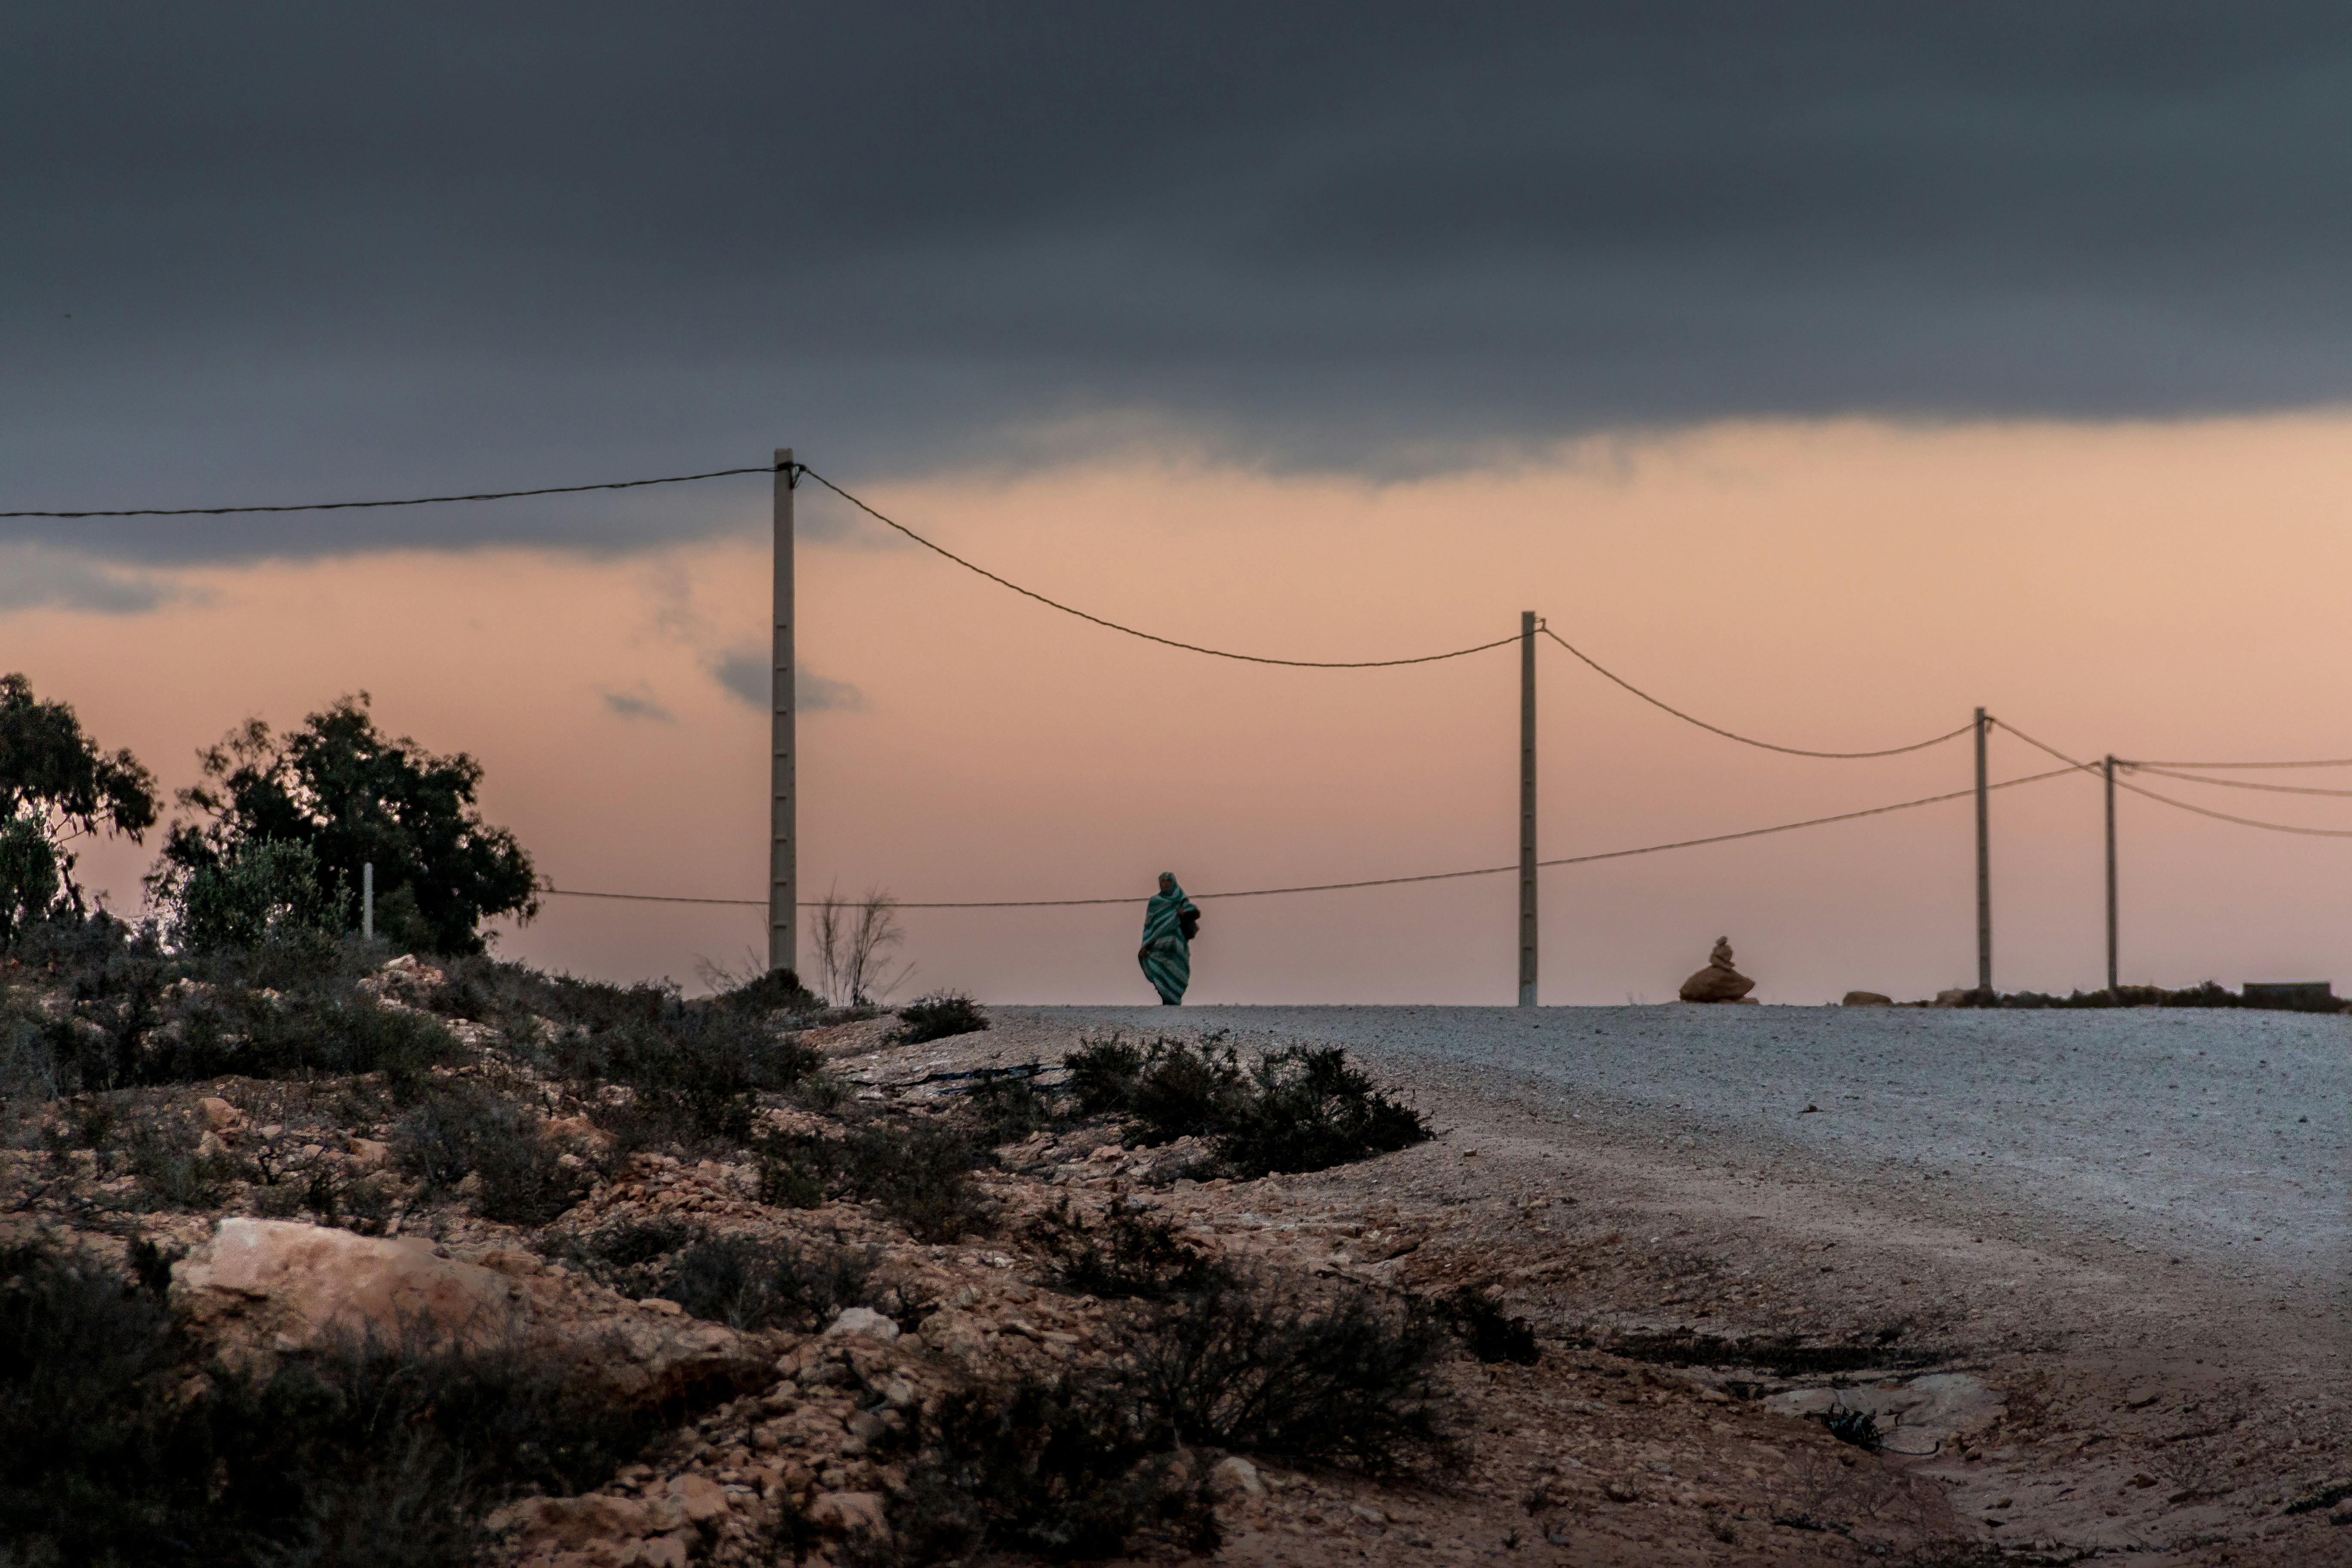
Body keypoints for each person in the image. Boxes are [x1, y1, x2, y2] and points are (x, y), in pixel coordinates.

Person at [1138, 871, 1199, 1004]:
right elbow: (1150, 926)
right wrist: (1145, 945)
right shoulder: (1155, 902)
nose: (1165, 884)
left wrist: (1183, 913)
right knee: (1158, 969)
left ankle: (1175, 999)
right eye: (1163, 881)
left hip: (1177, 947)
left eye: (1168, 881)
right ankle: (1166, 999)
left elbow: (1195, 913)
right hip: (1159, 948)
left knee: (1178, 969)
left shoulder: (1181, 900)